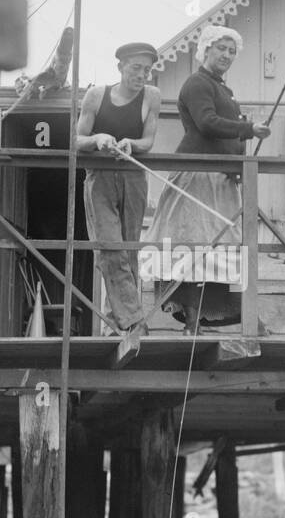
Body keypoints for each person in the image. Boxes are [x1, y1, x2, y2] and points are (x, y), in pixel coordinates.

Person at [141, 26, 272, 333]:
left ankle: (218, 317)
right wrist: (248, 129)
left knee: (222, 248)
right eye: (221, 48)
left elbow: (228, 133)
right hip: (198, 177)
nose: (227, 55)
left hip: (221, 179)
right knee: (194, 245)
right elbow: (207, 123)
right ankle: (190, 321)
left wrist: (239, 162)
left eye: (232, 51)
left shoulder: (224, 89)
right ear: (206, 50)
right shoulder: (197, 83)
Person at [75, 42, 162, 344]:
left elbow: (148, 140)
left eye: (147, 70)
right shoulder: (96, 96)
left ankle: (117, 323)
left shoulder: (152, 96)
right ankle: (135, 321)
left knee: (128, 251)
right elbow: (77, 139)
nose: (142, 75)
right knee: (110, 248)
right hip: (99, 179)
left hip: (134, 176)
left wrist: (130, 144)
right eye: (136, 68)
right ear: (120, 67)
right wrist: (98, 138)